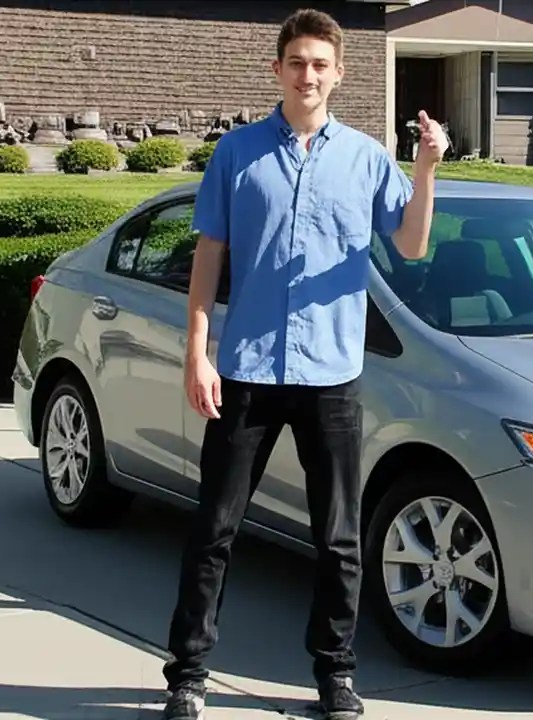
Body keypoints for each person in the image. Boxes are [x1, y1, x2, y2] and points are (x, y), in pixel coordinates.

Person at [160, 8, 447, 720]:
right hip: (247, 373)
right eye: (297, 62)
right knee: (214, 531)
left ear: (339, 73)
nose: (308, 75)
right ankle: (188, 676)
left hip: (331, 379)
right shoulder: (237, 154)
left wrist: (425, 169)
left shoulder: (367, 159)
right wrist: (197, 352)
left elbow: (412, 245)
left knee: (339, 540)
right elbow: (209, 256)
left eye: (320, 64)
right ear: (278, 70)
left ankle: (336, 676)